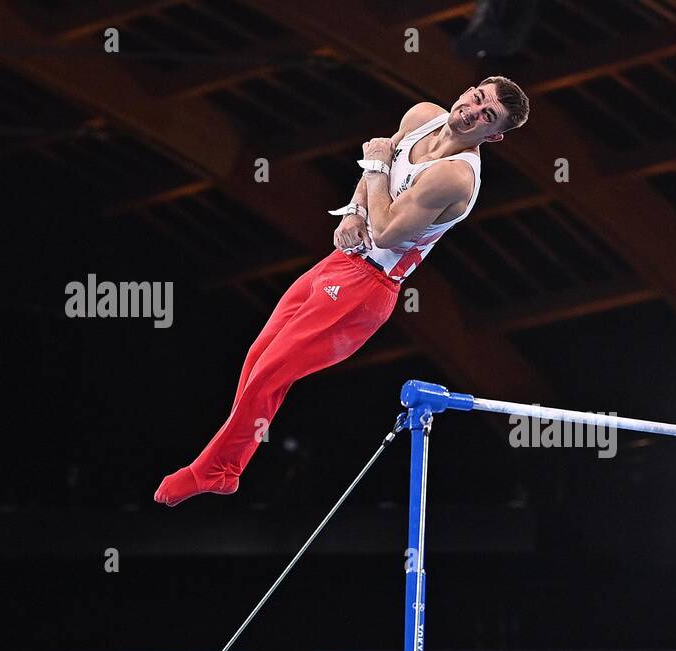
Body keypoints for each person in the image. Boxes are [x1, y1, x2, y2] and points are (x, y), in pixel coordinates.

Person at [153, 77, 529, 506]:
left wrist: (374, 170)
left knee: (271, 372)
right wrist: (353, 210)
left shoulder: (454, 177)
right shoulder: (423, 116)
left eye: (487, 116)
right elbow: (378, 174)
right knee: (257, 355)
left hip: (368, 287)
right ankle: (228, 465)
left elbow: (386, 230)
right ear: (468, 90)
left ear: (493, 134)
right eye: (477, 99)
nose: (472, 112)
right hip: (339, 262)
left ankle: (216, 471)